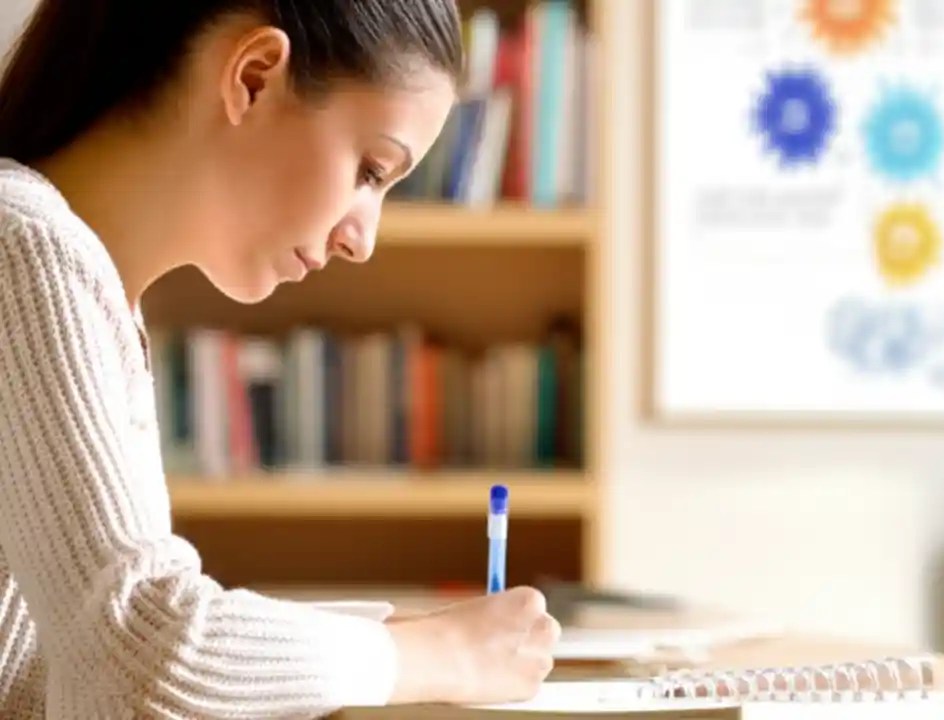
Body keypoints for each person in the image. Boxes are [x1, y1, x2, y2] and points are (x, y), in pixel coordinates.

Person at [0, 1, 560, 717]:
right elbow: (136, 663)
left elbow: (79, 665)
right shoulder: (26, 249)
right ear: (255, 77)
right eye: (370, 169)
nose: (364, 240)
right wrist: (433, 657)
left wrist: (381, 647)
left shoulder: (88, 289)